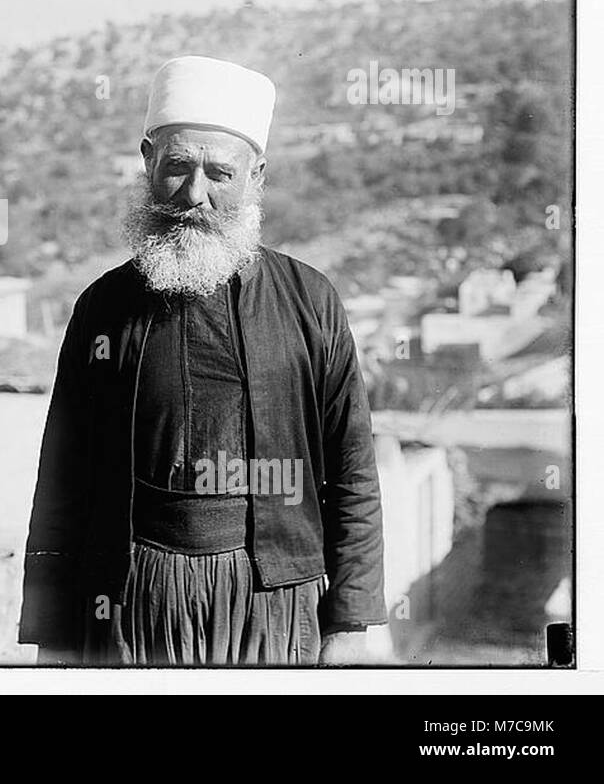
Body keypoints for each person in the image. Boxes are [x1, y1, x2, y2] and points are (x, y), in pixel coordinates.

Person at [20, 55, 386, 666]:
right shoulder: (104, 308)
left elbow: (352, 475)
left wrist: (350, 625)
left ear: (256, 176)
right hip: (131, 596)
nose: (195, 195)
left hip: (274, 600)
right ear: (146, 160)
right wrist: (51, 634)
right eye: (177, 167)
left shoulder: (310, 302)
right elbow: (63, 479)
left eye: (220, 173)